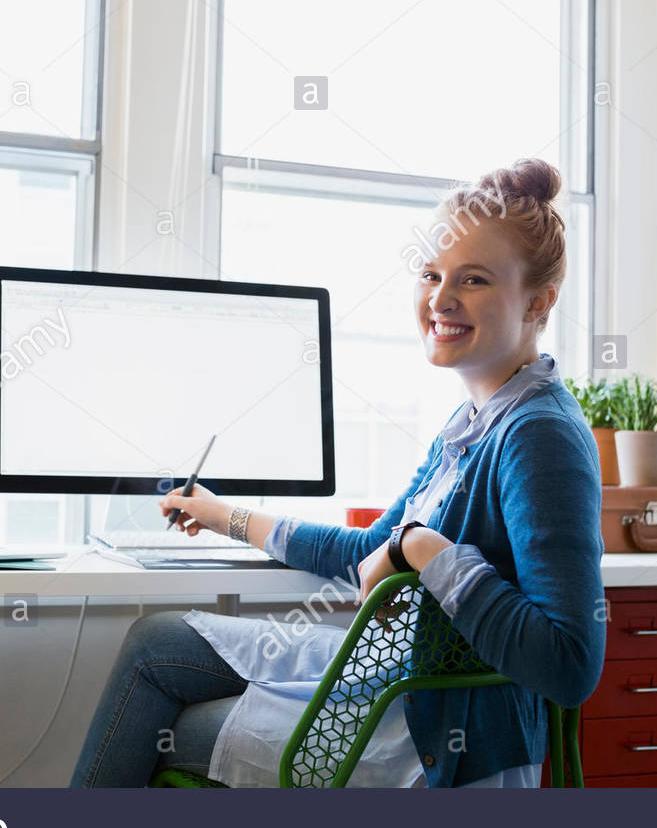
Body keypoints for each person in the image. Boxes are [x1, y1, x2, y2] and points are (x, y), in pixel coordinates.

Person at [70, 158, 607, 788]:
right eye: (430, 274)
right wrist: (223, 514)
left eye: (475, 279)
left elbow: (570, 663)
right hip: (398, 682)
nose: (439, 299)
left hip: (433, 731)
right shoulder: (475, 421)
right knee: (157, 644)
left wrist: (418, 548)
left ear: (539, 301)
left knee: (166, 728)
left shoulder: (538, 434)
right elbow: (364, 553)